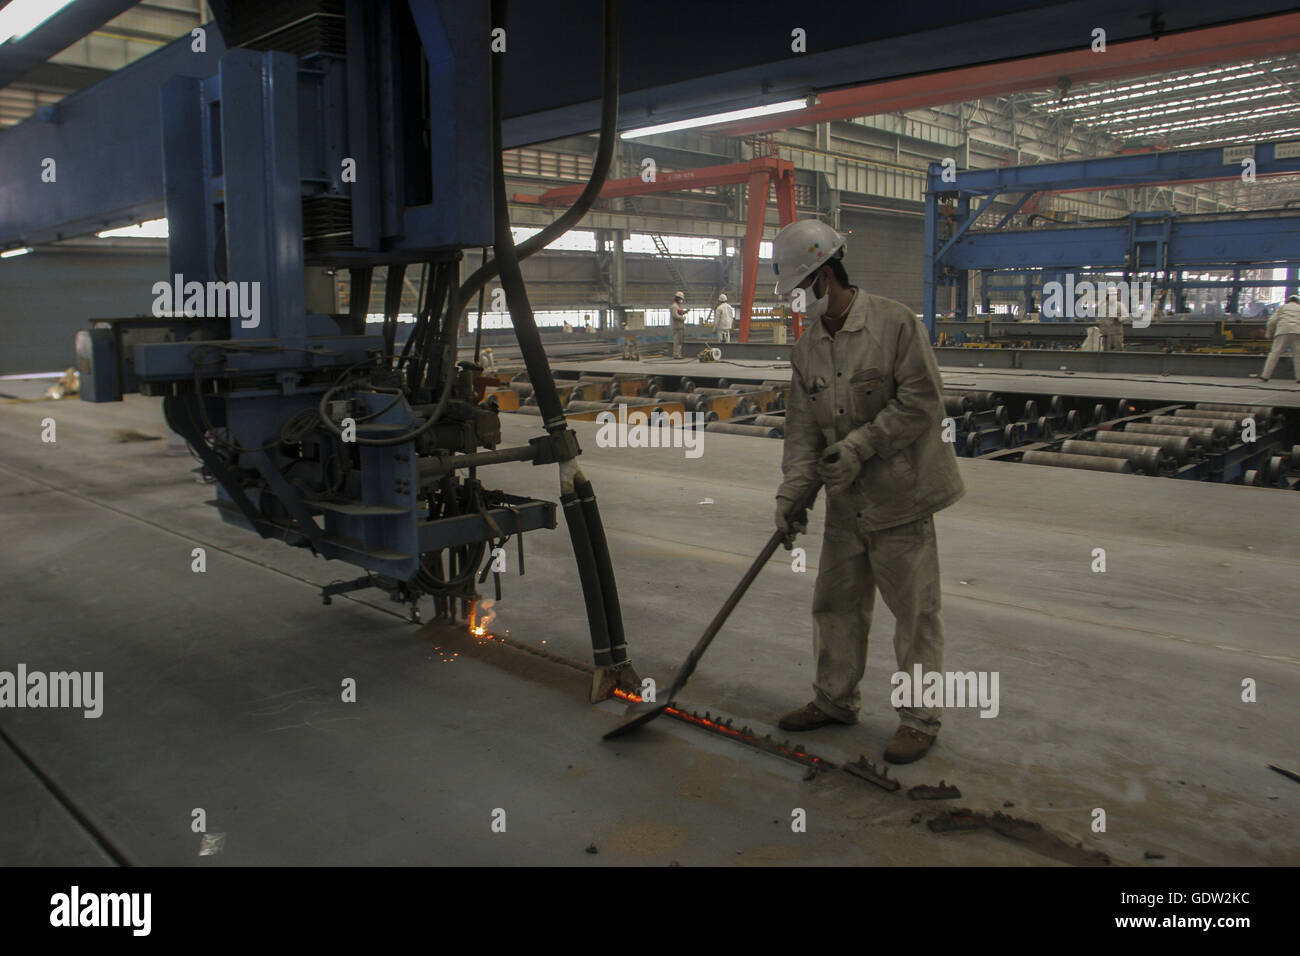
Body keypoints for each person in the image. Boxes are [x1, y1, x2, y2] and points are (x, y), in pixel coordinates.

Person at [771, 219, 965, 765]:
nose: (798, 304)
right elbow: (803, 431)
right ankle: (834, 700)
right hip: (846, 505)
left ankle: (920, 720)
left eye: (801, 291)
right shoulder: (807, 350)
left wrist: (859, 446)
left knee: (915, 615)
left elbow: (922, 401)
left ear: (825, 277)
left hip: (901, 499)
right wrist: (790, 497)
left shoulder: (895, 325)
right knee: (835, 606)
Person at [1259, 293, 1300, 384]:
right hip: (1297, 332)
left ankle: (1265, 376)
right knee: (1298, 355)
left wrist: (1268, 334)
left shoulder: (1282, 308)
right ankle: (1299, 378)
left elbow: (1271, 322)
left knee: (1274, 354)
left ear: (1288, 301)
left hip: (1282, 331)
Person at [1097, 285, 1128, 350]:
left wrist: (1119, 319)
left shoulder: (1120, 305)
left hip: (1116, 333)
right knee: (1106, 349)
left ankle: (1119, 359)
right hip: (1106, 333)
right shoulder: (1103, 306)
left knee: (1118, 348)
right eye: (1108, 296)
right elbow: (1099, 315)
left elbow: (1126, 316)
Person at [669, 291, 687, 358]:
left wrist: (685, 312)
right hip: (677, 326)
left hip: (680, 326)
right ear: (677, 298)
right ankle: (676, 355)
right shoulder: (674, 306)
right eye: (681, 299)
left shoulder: (678, 306)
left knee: (679, 341)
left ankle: (678, 354)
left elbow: (679, 313)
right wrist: (682, 318)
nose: (681, 300)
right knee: (677, 341)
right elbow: (675, 315)